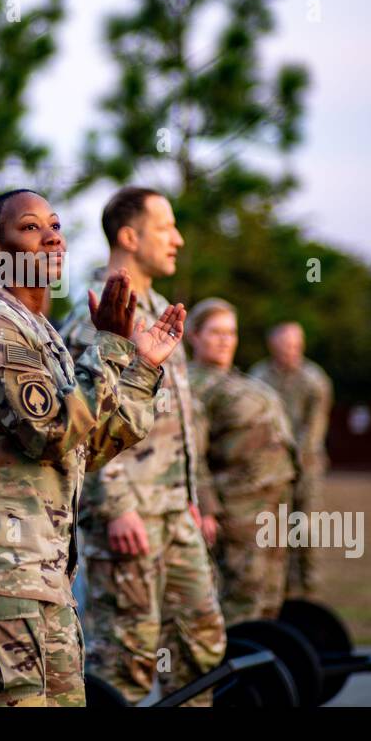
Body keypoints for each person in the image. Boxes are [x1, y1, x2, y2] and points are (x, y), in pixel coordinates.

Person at [0, 189, 185, 706]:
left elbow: (79, 450)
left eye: (55, 225)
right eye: (31, 227)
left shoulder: (42, 334)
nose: (52, 235)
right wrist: (108, 346)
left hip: (38, 571)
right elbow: (50, 430)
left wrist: (143, 369)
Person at [60, 187, 225, 705]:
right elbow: (85, 423)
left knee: (202, 649)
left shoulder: (160, 309)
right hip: (128, 520)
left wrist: (191, 501)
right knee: (123, 665)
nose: (177, 239)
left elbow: (175, 426)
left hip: (174, 513)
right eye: (165, 228)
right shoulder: (100, 315)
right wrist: (115, 506)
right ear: (129, 237)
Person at [187, 299, 297, 624]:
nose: (225, 340)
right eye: (216, 332)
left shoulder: (239, 379)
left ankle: (265, 670)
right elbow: (193, 452)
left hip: (273, 504)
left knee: (270, 598)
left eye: (231, 333)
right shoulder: (191, 385)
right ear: (194, 336)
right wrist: (206, 507)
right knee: (240, 600)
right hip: (236, 508)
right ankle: (233, 669)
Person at [250, 321, 333, 598]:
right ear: (273, 346)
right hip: (269, 467)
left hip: (306, 466)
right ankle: (279, 594)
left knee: (306, 531)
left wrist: (296, 462)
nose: (290, 350)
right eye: (285, 344)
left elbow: (315, 429)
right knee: (273, 532)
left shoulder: (314, 380)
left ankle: (309, 594)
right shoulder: (259, 377)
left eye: (296, 345)